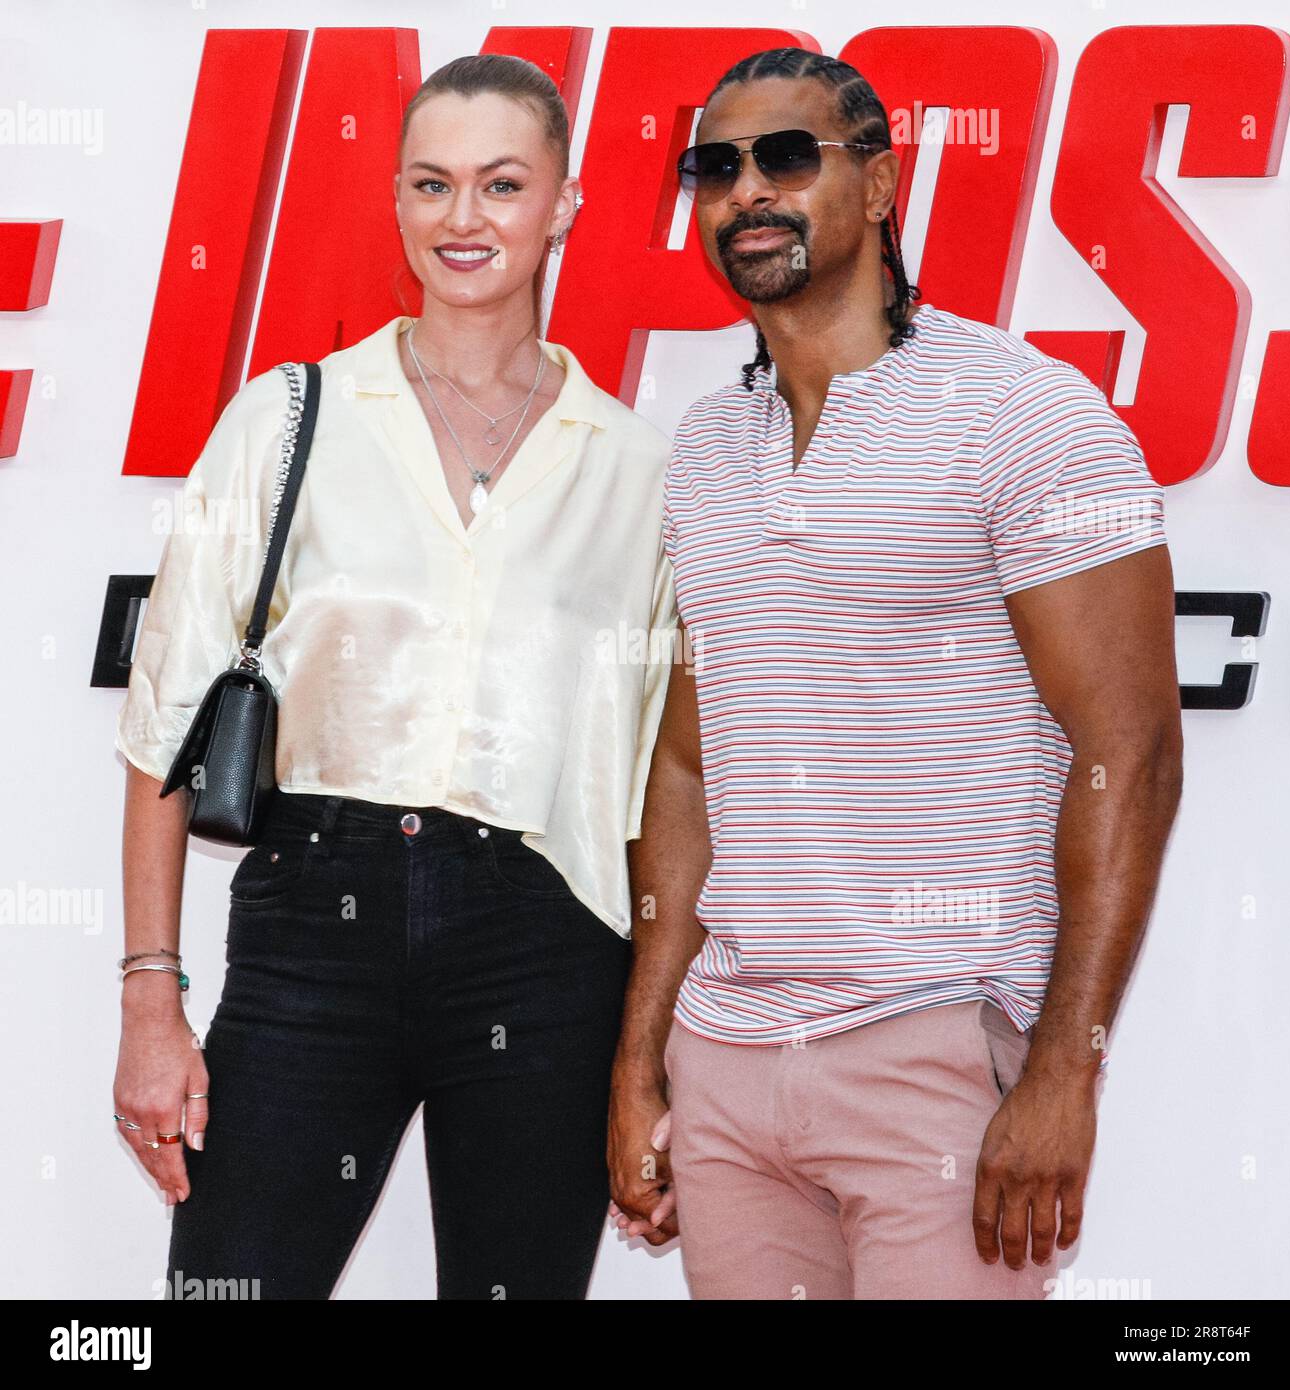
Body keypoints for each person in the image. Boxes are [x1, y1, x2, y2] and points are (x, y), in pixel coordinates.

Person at [608, 47, 1183, 1299]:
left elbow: (1128, 752)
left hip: (932, 1053)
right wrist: (642, 1059)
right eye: (716, 166)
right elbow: (691, 762)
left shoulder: (1027, 416)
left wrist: (1062, 1073)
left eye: (786, 156)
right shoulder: (704, 448)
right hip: (728, 1064)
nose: (746, 190)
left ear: (877, 186)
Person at [114, 53, 675, 1301]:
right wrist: (151, 1001)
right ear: (398, 201)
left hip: (546, 946)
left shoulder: (640, 474)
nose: (463, 219)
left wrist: (648, 1053)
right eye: (433, 184)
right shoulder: (287, 419)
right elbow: (164, 727)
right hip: (314, 919)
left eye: (501, 183)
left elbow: (662, 788)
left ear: (566, 203)